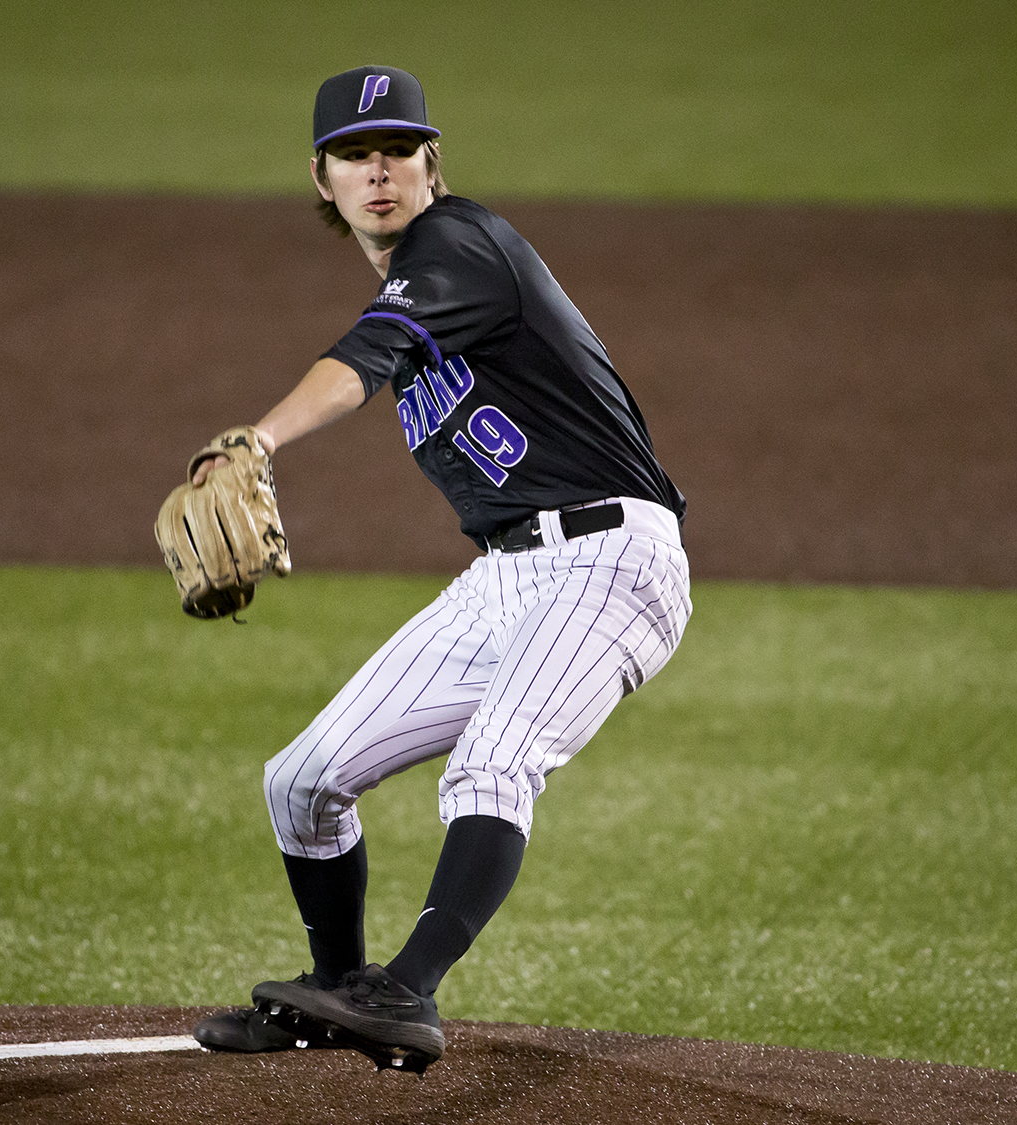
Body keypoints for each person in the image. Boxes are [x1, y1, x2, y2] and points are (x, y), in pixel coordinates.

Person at [189, 65, 691, 1072]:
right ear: (321, 180)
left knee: (493, 763)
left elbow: (366, 358)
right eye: (352, 156)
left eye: (395, 152)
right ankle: (337, 991)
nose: (376, 173)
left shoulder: (458, 244)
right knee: (300, 781)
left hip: (610, 558)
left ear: (430, 165)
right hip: (509, 576)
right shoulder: (419, 279)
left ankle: (406, 992)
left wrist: (259, 439)